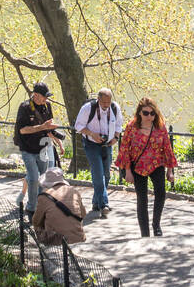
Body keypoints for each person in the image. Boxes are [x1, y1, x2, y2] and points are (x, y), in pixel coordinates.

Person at [115, 97, 178, 237]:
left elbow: (167, 148)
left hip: (157, 164)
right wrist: (128, 171)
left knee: (161, 193)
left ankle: (156, 225)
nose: (149, 116)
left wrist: (170, 170)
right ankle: (145, 232)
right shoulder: (131, 127)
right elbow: (125, 149)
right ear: (139, 113)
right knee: (142, 199)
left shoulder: (160, 127)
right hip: (137, 167)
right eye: (145, 113)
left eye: (152, 113)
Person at [73, 87, 122, 216]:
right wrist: (91, 134)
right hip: (91, 144)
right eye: (104, 102)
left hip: (107, 144)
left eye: (108, 102)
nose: (106, 105)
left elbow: (118, 125)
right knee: (98, 173)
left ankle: (96, 201)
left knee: (106, 174)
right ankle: (104, 204)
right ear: (98, 99)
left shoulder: (115, 108)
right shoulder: (88, 108)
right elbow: (78, 126)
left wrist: (115, 138)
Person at [14, 82, 58, 217]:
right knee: (33, 178)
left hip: (42, 147)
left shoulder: (47, 106)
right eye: (44, 96)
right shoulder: (25, 107)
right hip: (27, 149)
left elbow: (48, 126)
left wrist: (57, 138)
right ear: (36, 95)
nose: (46, 99)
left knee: (43, 179)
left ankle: (40, 205)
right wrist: (41, 127)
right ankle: (31, 208)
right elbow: (22, 130)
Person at [31, 168, 87, 245]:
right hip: (78, 238)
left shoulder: (44, 196)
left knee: (39, 224)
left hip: (56, 240)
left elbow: (36, 221)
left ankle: (45, 248)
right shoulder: (74, 191)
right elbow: (83, 214)